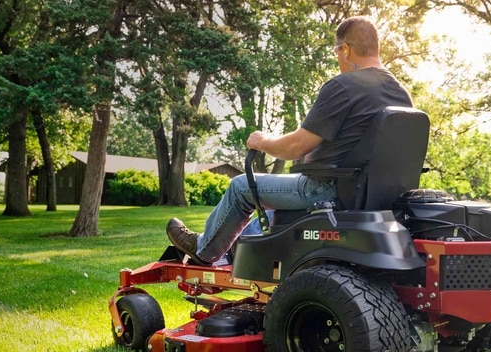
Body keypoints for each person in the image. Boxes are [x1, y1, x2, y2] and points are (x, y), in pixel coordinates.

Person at [167, 16, 413, 265]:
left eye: (337, 51)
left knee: (240, 187)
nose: (338, 59)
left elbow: (296, 147)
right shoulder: (400, 93)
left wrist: (262, 142)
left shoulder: (343, 86)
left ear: (346, 49)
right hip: (377, 197)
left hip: (327, 189)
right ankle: (237, 251)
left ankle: (203, 249)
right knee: (273, 206)